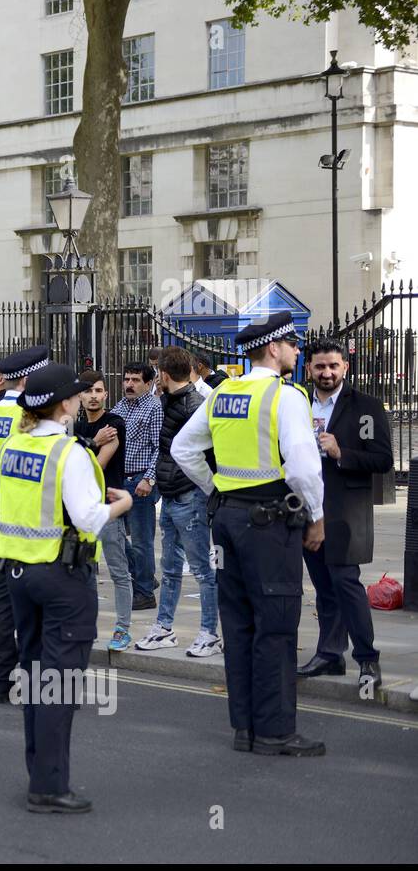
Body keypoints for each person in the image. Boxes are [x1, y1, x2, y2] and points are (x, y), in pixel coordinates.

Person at [0, 364, 133, 812]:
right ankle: (48, 786)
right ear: (63, 405)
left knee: (34, 675)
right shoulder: (70, 454)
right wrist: (120, 504)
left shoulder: (12, 447)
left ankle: (39, 773)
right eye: (76, 396)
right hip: (64, 579)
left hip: (20, 578)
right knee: (59, 683)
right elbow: (87, 518)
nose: (82, 400)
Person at [172, 311, 327, 756]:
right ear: (275, 348)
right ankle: (276, 731)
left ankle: (245, 729)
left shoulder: (224, 393)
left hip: (227, 518)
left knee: (237, 623)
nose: (298, 352)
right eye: (294, 345)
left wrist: (215, 486)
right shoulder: (286, 397)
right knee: (276, 626)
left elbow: (184, 449)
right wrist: (316, 516)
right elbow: (301, 466)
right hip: (270, 522)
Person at [296, 338, 392, 689]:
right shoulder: (298, 403)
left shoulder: (365, 406)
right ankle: (330, 654)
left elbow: (383, 460)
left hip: (345, 512)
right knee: (324, 587)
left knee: (346, 583)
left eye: (333, 366)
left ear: (345, 368)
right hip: (307, 507)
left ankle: (367, 660)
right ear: (309, 368)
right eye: (320, 366)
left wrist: (341, 452)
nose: (326, 373)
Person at [0, 345, 47, 698]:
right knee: (35, 606)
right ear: (30, 379)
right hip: (29, 523)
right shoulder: (30, 419)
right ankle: (36, 684)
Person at [136, 347, 220, 656]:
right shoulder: (168, 401)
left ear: (165, 375)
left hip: (190, 498)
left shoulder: (195, 405)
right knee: (170, 567)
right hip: (172, 497)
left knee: (202, 570)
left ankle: (209, 633)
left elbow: (205, 455)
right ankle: (164, 628)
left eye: (158, 373)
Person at [74, 370, 133, 650]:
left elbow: (95, 467)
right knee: (85, 571)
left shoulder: (114, 423)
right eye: (88, 391)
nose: (93, 396)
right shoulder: (76, 427)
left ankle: (122, 628)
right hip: (81, 510)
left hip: (108, 508)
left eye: (98, 391)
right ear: (79, 396)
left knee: (118, 571)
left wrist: (89, 447)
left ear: (106, 394)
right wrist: (93, 443)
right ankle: (87, 626)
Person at [111, 361, 163, 610]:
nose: (129, 384)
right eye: (127, 379)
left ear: (149, 382)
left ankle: (144, 593)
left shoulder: (154, 408)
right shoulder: (119, 407)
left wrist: (149, 479)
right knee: (115, 536)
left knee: (142, 540)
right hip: (119, 481)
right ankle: (145, 576)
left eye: (135, 380)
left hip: (140, 481)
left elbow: (159, 447)